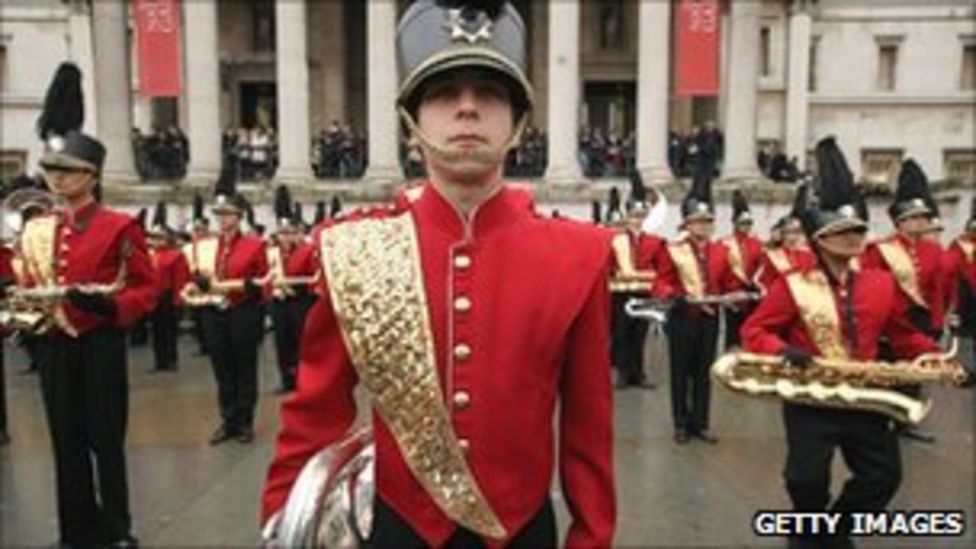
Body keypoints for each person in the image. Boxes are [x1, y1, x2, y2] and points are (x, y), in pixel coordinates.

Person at [262, 1, 615, 546]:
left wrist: (591, 537)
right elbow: (316, 408)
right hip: (397, 530)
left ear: (519, 124)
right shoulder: (356, 248)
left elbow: (588, 432)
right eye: (445, 94)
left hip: (520, 532)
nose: (467, 110)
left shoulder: (578, 255)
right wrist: (282, 522)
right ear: (411, 122)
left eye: (491, 94)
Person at [741, 137, 943, 549]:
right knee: (805, 480)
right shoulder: (793, 286)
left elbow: (904, 336)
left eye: (858, 230)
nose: (853, 238)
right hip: (811, 393)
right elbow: (754, 332)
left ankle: (833, 532)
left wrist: (940, 358)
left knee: (883, 476)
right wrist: (783, 352)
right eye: (843, 230)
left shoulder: (881, 284)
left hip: (863, 394)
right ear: (820, 237)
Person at [19, 62, 156, 547]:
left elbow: (145, 289)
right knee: (65, 446)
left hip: (99, 342)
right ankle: (75, 530)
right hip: (56, 345)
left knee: (106, 444)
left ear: (91, 175)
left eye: (66, 171)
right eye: (51, 170)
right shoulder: (37, 229)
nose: (55, 178)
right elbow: (24, 282)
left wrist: (110, 310)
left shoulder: (119, 227)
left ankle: (117, 529)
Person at [861, 159, 946, 444]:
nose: (923, 221)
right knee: (887, 371)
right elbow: (871, 286)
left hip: (918, 319)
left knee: (914, 373)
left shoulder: (933, 251)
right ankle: (882, 418)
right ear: (901, 222)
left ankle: (907, 419)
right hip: (889, 320)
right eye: (916, 217)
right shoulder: (880, 250)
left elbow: (937, 290)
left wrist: (936, 322)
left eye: (924, 217)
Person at [185, 177, 268, 445]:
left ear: (239, 216)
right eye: (219, 214)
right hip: (214, 313)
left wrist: (247, 287)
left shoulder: (254, 246)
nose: (222, 219)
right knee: (221, 368)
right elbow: (198, 272)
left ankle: (244, 421)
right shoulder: (208, 245)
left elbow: (263, 282)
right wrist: (198, 282)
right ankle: (228, 419)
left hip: (242, 311)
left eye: (227, 214)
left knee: (245, 367)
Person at [653, 171, 725, 445]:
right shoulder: (674, 249)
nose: (704, 226)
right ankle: (681, 423)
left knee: (704, 372)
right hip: (683, 316)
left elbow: (728, 281)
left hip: (709, 318)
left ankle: (701, 422)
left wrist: (746, 292)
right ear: (687, 223)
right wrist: (674, 295)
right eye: (699, 222)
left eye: (708, 222)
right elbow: (661, 282)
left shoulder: (719, 251)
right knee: (680, 372)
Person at [609, 173, 664, 389]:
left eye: (641, 216)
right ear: (627, 217)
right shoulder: (617, 239)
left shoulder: (655, 242)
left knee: (640, 334)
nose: (637, 221)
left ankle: (638, 373)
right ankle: (623, 373)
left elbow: (659, 267)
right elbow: (611, 264)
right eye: (634, 216)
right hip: (621, 292)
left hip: (643, 292)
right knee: (622, 333)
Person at [267, 186, 317, 394]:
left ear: (298, 233)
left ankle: (303, 379)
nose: (285, 237)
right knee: (282, 342)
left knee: (300, 342)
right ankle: (286, 379)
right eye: (282, 233)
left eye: (289, 233)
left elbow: (314, 278)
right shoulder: (272, 253)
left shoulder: (307, 251)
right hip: (279, 302)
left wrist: (294, 284)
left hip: (300, 301)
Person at [146, 202, 190, 372]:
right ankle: (159, 362)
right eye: (153, 238)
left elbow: (180, 279)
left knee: (169, 331)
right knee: (156, 332)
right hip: (153, 297)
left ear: (167, 239)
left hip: (168, 297)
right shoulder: (150, 256)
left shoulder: (175, 255)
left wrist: (178, 300)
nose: (155, 241)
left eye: (159, 238)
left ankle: (171, 360)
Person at [717, 189, 763, 349]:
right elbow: (719, 272)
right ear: (735, 223)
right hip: (732, 297)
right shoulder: (724, 244)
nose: (747, 226)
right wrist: (725, 293)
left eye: (749, 223)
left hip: (752, 296)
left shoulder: (758, 244)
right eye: (743, 223)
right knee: (732, 337)